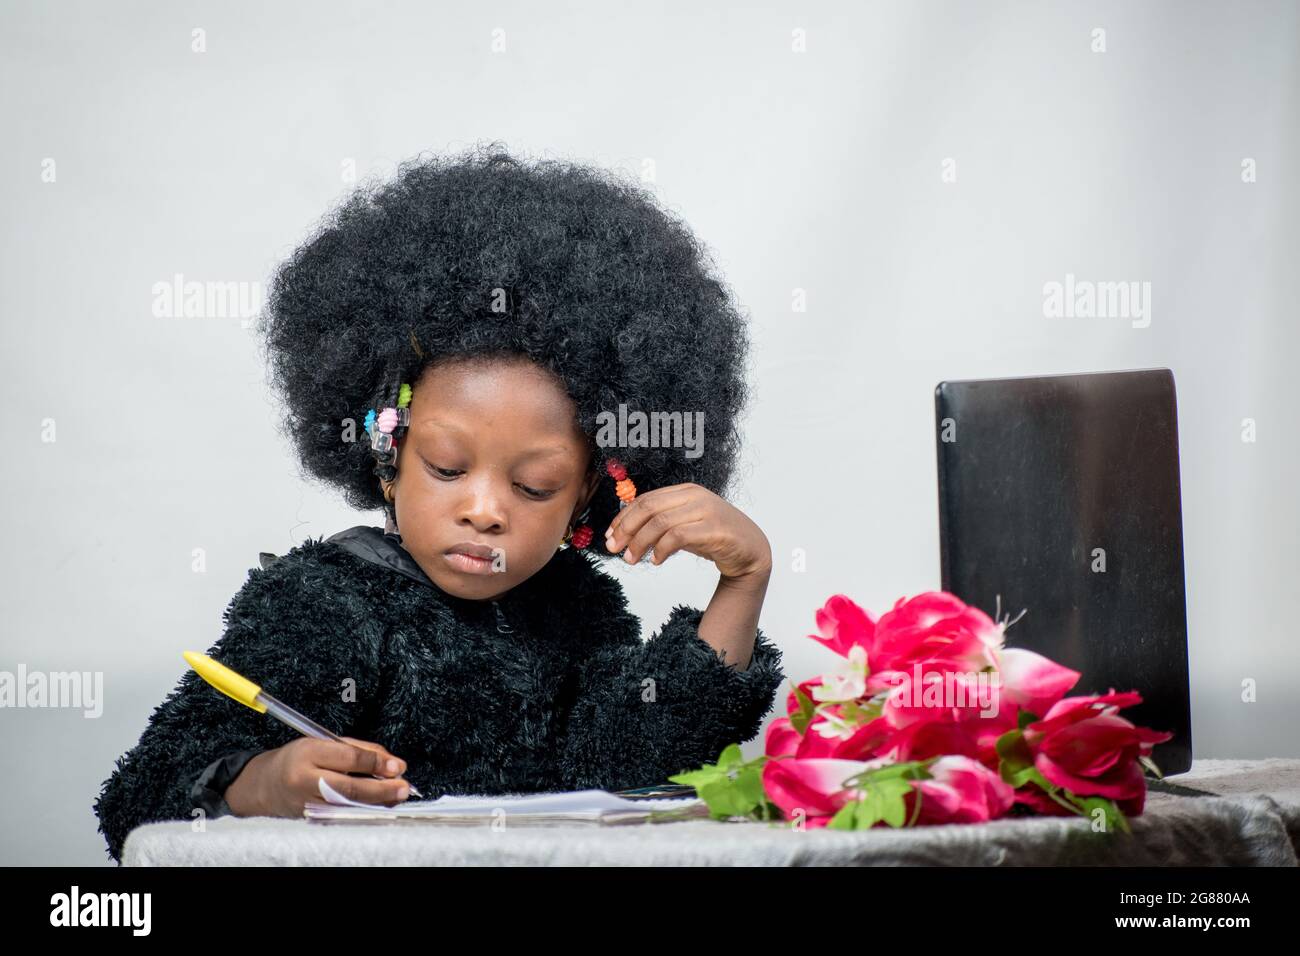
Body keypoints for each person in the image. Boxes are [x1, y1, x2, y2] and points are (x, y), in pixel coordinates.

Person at [92, 143, 784, 864]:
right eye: (448, 466)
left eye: (533, 486)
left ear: (587, 496)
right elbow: (141, 797)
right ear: (388, 457)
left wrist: (744, 579)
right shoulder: (323, 602)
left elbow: (636, 762)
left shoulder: (575, 609)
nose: (485, 509)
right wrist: (262, 782)